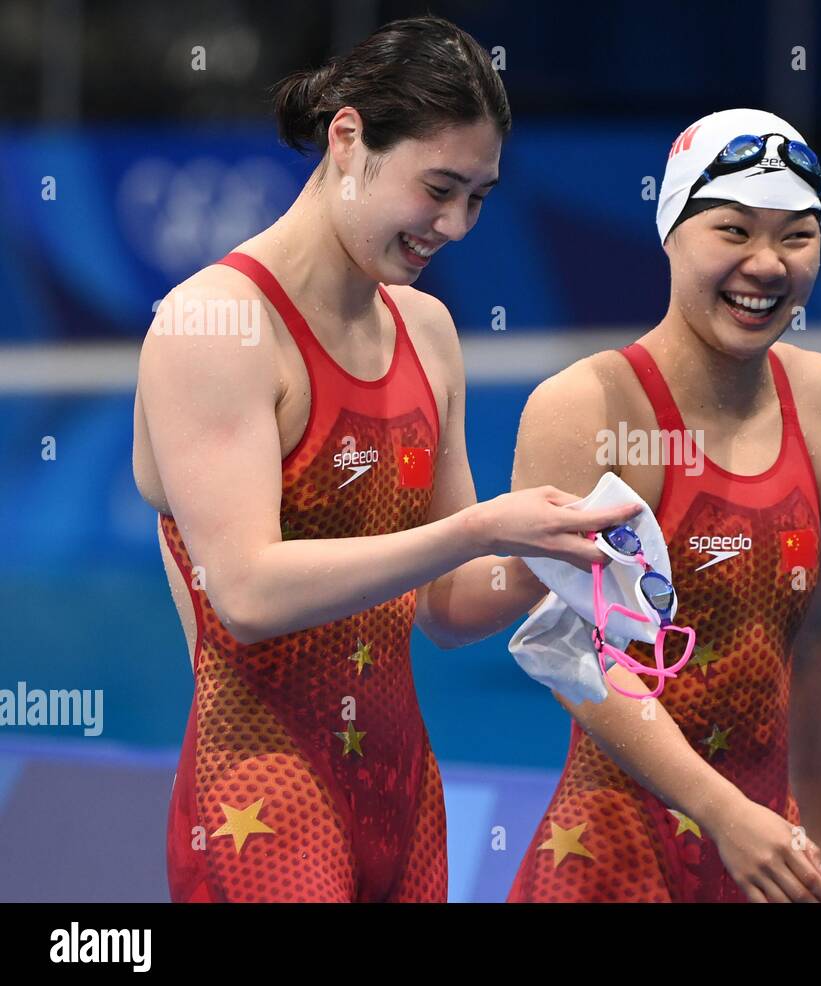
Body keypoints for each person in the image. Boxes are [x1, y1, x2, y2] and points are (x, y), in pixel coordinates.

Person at [131, 14, 636, 903]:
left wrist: (560, 551)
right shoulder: (216, 326)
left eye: (478, 198)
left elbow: (446, 607)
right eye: (438, 187)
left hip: (406, 806)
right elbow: (246, 594)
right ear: (348, 140)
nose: (456, 224)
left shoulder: (427, 332)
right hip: (259, 809)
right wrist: (481, 528)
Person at [507, 109, 821, 902]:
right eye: (733, 231)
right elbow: (572, 652)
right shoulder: (587, 407)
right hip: (608, 861)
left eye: (797, 237)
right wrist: (723, 811)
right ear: (670, 231)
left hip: (763, 858)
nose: (766, 264)